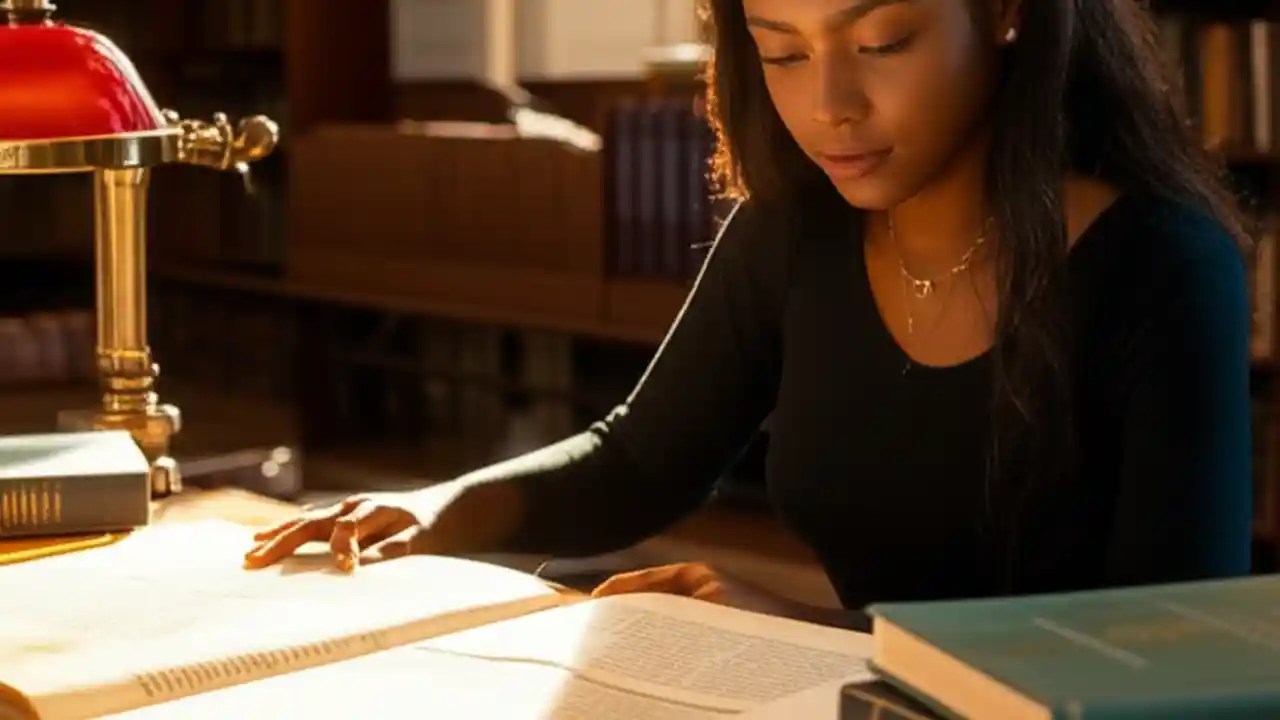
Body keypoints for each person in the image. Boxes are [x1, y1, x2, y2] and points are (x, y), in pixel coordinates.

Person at [244, 0, 1255, 631]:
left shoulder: (1160, 266)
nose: (830, 105)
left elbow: (1163, 652)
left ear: (1001, 12)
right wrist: (434, 511)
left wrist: (801, 630)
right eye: (781, 52)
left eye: (879, 40)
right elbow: (637, 458)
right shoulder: (796, 229)